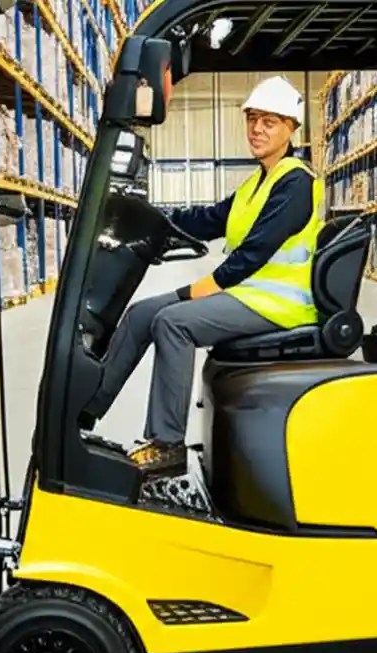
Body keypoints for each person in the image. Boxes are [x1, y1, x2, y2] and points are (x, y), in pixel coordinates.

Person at [82, 75, 325, 477]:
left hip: (279, 306)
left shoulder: (296, 183)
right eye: (253, 119)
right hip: (249, 297)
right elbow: (209, 219)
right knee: (142, 313)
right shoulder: (256, 183)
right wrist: (155, 219)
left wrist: (193, 291)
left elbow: (250, 256)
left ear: (291, 128)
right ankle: (86, 407)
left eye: (270, 121)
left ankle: (166, 444)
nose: (258, 129)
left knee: (173, 323)